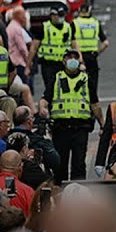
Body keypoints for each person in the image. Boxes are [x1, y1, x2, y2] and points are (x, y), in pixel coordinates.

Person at [39, 48, 96, 182]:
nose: (72, 60)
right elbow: (45, 98)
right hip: (61, 128)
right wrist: (42, 108)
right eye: (69, 57)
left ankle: (79, 190)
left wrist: (103, 123)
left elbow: (95, 104)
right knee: (60, 163)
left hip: (80, 127)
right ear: (64, 60)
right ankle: (60, 190)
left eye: (75, 57)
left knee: (79, 164)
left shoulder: (86, 79)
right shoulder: (57, 78)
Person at [72, 2, 108, 104]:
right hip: (92, 57)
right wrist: (97, 53)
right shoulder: (95, 23)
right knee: (92, 85)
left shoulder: (75, 23)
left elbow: (72, 42)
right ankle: (92, 107)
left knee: (78, 84)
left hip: (78, 57)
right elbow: (105, 43)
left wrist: (79, 59)